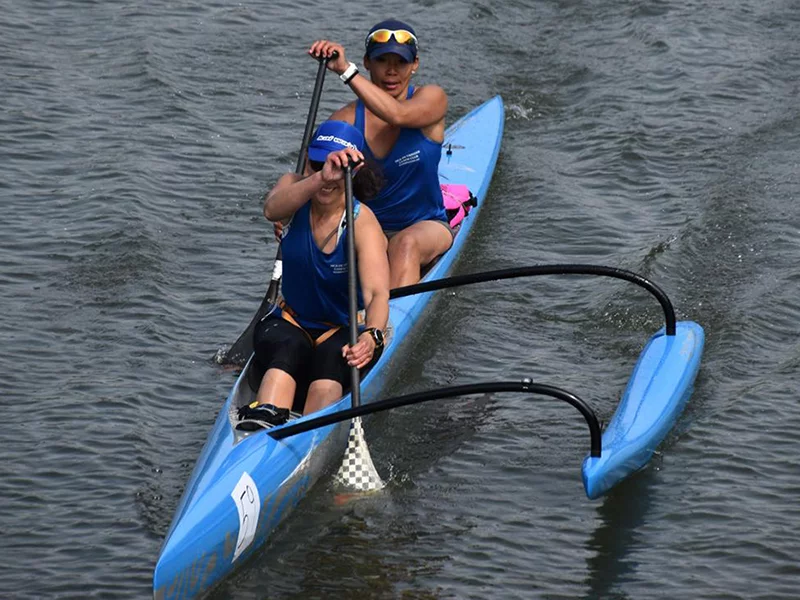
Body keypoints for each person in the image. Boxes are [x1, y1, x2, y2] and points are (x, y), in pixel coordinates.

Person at [237, 121, 390, 431]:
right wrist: (321, 176)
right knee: (288, 348)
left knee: (332, 362)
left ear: (354, 169)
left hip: (341, 329)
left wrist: (371, 337)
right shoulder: (294, 189)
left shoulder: (362, 223)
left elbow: (377, 294)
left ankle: (309, 438)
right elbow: (271, 210)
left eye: (336, 166)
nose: (327, 176)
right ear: (308, 161)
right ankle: (263, 420)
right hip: (288, 321)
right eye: (317, 163)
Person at [308, 19, 452, 288]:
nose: (391, 71)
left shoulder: (432, 98)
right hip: (365, 229)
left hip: (425, 225)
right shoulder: (346, 120)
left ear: (415, 64)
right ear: (367, 62)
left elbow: (399, 115)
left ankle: (388, 328)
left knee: (404, 244)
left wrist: (345, 71)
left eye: (401, 62)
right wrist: (289, 219)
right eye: (382, 60)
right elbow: (310, 178)